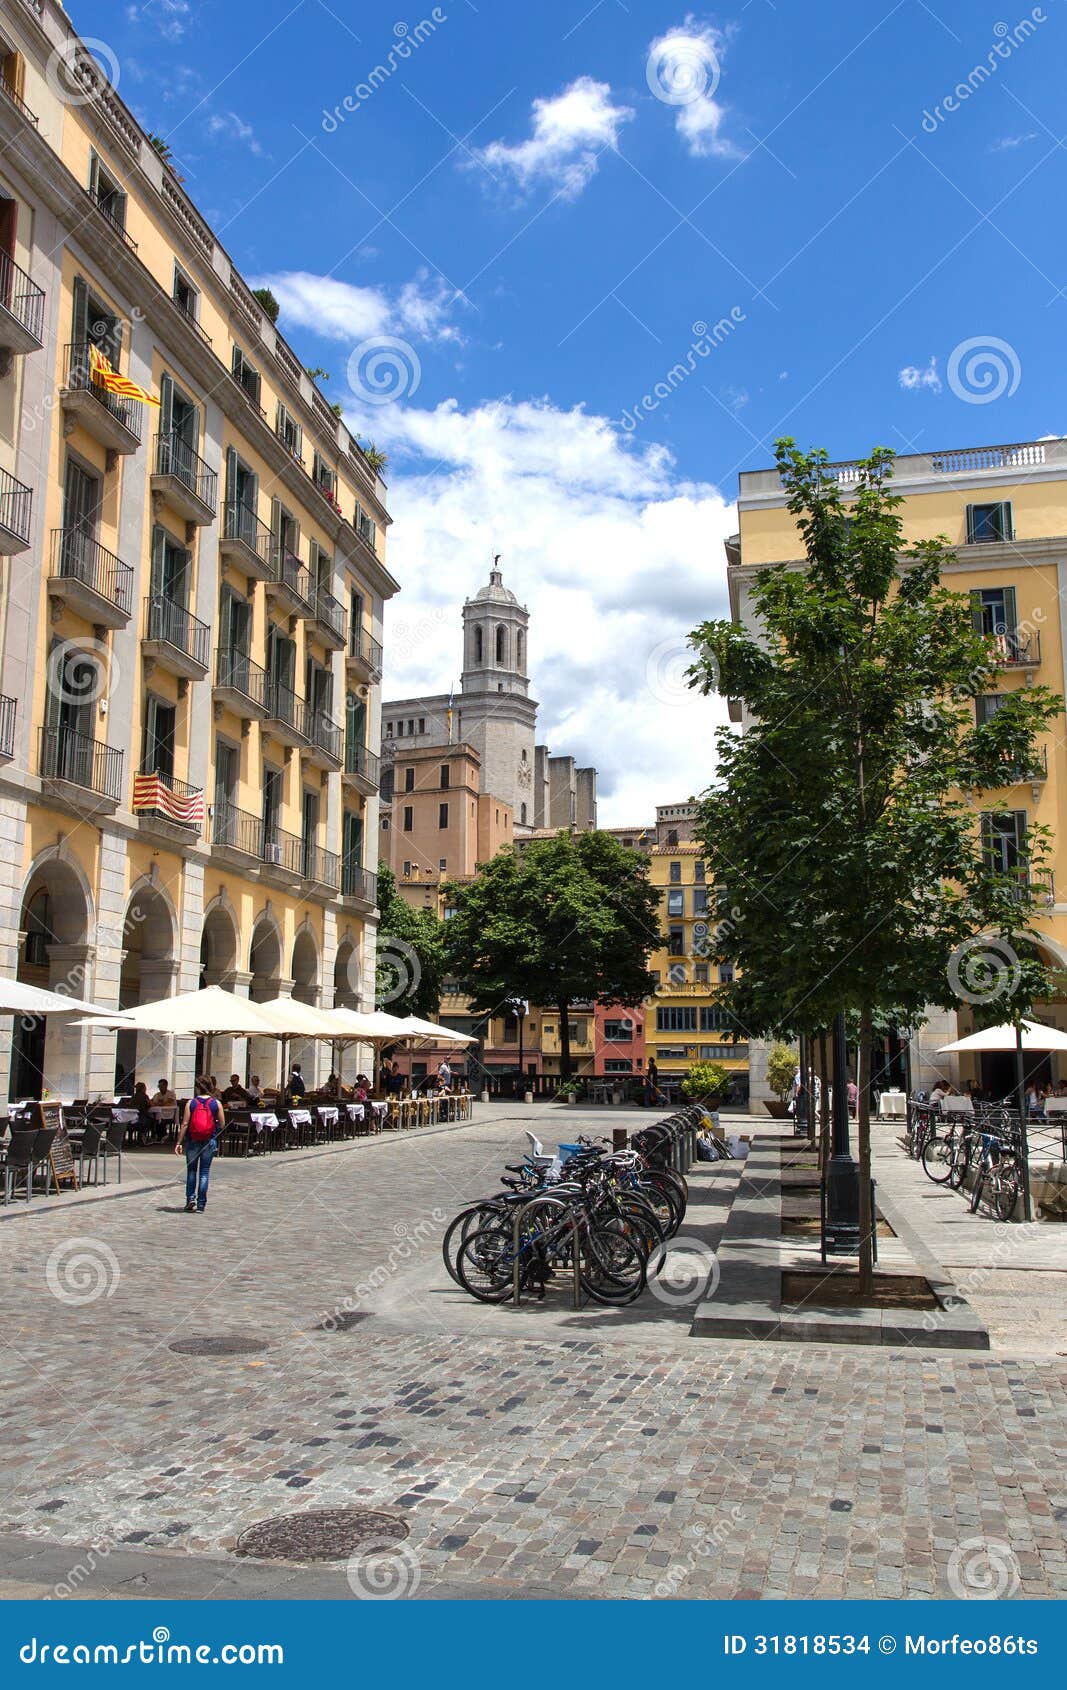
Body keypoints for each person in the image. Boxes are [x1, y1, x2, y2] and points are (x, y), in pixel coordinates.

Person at [174, 1077, 224, 1214]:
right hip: (209, 1140)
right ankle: (201, 1204)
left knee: (191, 1170)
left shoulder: (191, 1103)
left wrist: (179, 1142)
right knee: (204, 1172)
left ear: (197, 1087)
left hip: (193, 1140)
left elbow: (184, 1124)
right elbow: (222, 1124)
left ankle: (190, 1198)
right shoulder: (216, 1103)